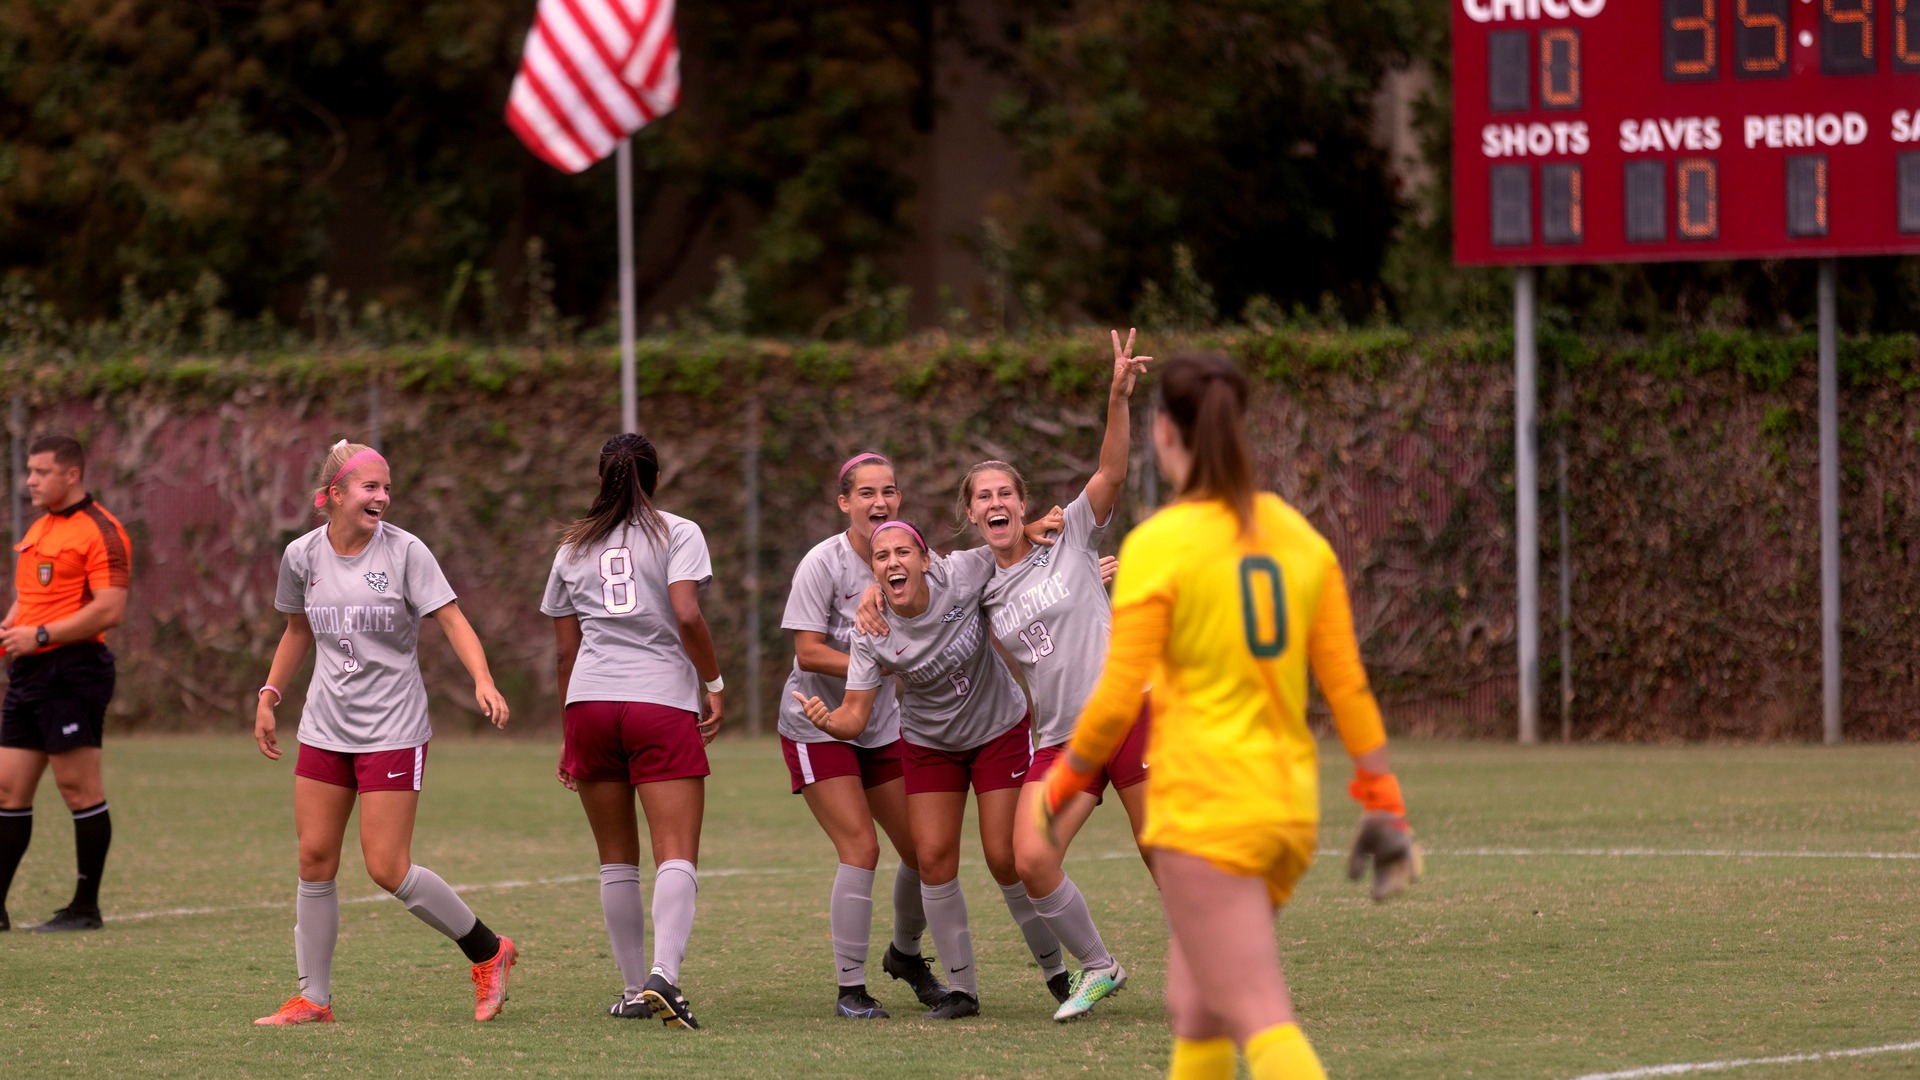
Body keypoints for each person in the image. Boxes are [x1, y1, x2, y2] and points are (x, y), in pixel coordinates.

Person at [1031, 354, 1422, 1080]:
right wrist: (1382, 796)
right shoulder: (1298, 537)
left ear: (1163, 434)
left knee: (1256, 1012)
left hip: (1207, 806)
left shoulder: (1161, 545)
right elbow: (1349, 689)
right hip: (1282, 808)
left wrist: (1060, 787)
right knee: (1196, 1005)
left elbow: (1118, 696)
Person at [252, 439, 518, 1026]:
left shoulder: (405, 552)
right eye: (370, 487)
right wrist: (270, 695)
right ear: (335, 495)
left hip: (393, 728)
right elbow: (297, 631)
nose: (382, 497)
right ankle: (313, 999)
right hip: (324, 726)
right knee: (314, 857)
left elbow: (451, 617)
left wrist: (483, 679)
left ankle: (489, 950)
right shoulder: (301, 555)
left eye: (386, 487)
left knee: (387, 867)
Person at [794, 520, 1062, 1021]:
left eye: (902, 552)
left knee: (1006, 856)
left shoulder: (962, 571)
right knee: (933, 858)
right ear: (872, 570)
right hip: (929, 743)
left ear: (926, 558)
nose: (893, 561)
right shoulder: (870, 629)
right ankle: (962, 992)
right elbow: (854, 715)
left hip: (997, 729)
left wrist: (1047, 535)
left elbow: (1008, 547)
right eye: (881, 557)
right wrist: (828, 721)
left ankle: (1058, 974)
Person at [970, 328, 1153, 1021]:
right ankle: (1099, 966)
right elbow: (913, 583)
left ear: (1022, 503)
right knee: (1030, 858)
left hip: (1126, 711)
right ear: (972, 514)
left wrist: (1117, 398)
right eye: (981, 495)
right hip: (1060, 739)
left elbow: (1110, 472)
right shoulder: (978, 588)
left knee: (1162, 850)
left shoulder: (1070, 533)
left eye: (1004, 492)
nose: (995, 502)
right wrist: (874, 590)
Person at [545, 433, 721, 1030]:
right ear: (656, 478)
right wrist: (714, 683)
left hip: (589, 704)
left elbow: (565, 653)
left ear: (601, 479)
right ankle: (663, 979)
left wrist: (570, 733)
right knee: (676, 851)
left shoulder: (572, 545)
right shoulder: (679, 531)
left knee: (615, 860)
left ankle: (628, 990)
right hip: (658, 702)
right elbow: (688, 613)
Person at [776, 452, 945, 1020]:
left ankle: (906, 955)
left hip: (882, 725)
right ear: (844, 502)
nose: (881, 502)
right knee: (862, 849)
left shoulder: (913, 557)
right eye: (867, 493)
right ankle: (851, 990)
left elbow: (971, 593)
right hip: (817, 721)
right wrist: (875, 662)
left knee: (925, 853)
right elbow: (805, 650)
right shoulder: (821, 563)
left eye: (889, 491)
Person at [0, 434, 132, 933]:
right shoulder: (40, 527)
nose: (28, 480)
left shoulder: (103, 531)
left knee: (78, 788)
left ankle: (84, 908)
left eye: (39, 471)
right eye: (28, 470)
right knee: (8, 788)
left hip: (74, 670)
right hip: (31, 671)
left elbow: (110, 608)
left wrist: (39, 634)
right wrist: (11, 634)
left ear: (71, 474)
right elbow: (27, 599)